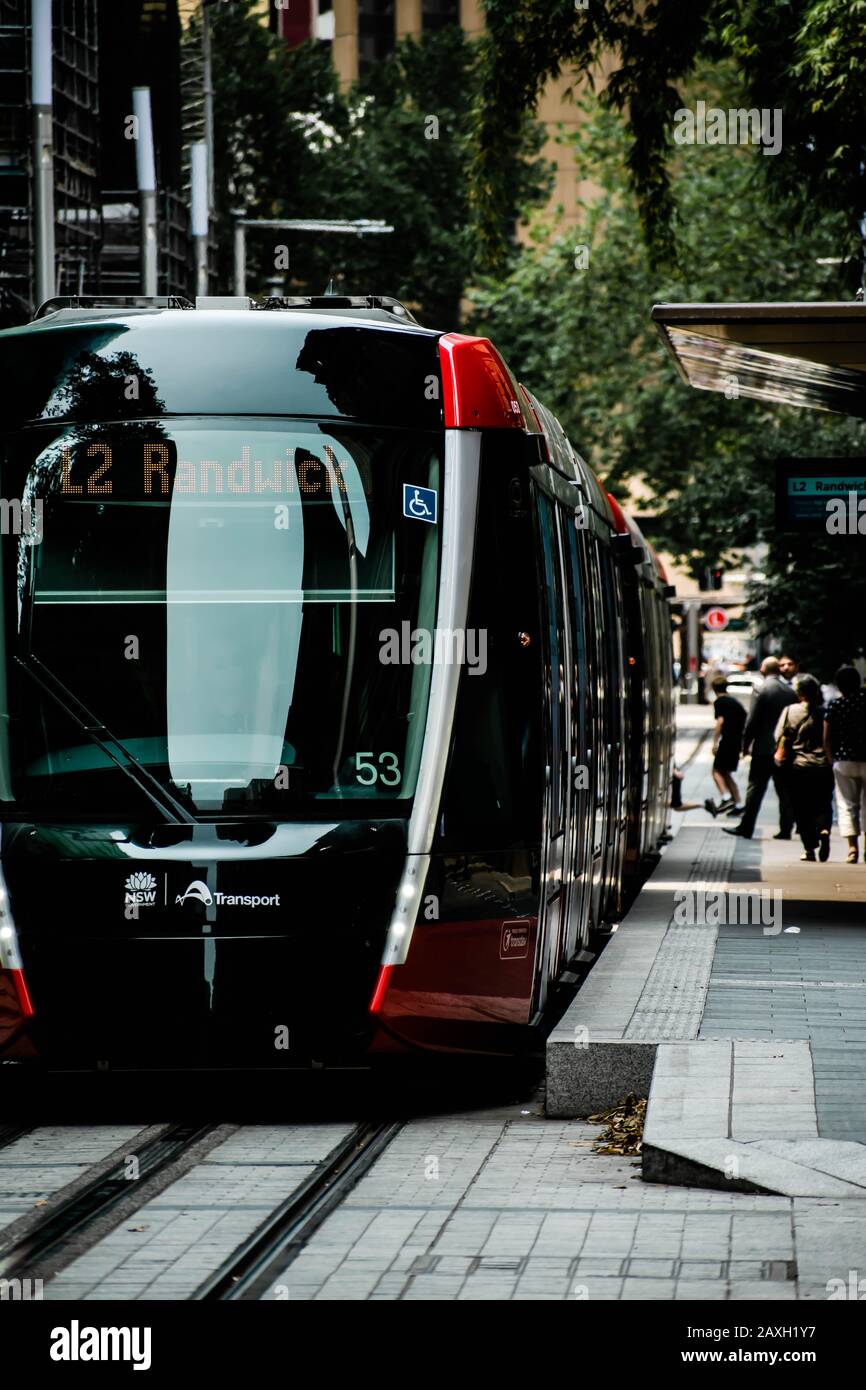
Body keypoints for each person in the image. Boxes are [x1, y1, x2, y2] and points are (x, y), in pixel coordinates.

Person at [724, 656, 798, 840]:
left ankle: (746, 827)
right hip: (783, 749)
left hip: (763, 749)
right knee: (785, 791)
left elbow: (753, 721)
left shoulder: (761, 689)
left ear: (763, 670)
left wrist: (745, 745)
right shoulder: (789, 692)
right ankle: (785, 829)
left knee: (755, 789)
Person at [774, 674, 833, 861]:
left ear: (799, 693)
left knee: (802, 808)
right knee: (823, 803)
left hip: (798, 767)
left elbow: (779, 736)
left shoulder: (790, 711)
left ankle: (809, 849)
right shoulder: (824, 712)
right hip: (823, 766)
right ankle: (824, 829)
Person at [824, 665, 866, 863]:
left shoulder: (836, 705)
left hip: (843, 760)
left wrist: (831, 759)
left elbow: (827, 737)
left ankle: (852, 849)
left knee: (847, 804)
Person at [704, 675, 747, 818]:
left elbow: (720, 722)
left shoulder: (720, 702)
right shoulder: (735, 702)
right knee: (727, 773)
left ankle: (726, 798)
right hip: (736, 742)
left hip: (727, 741)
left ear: (714, 689)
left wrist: (715, 742)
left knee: (716, 771)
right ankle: (739, 804)